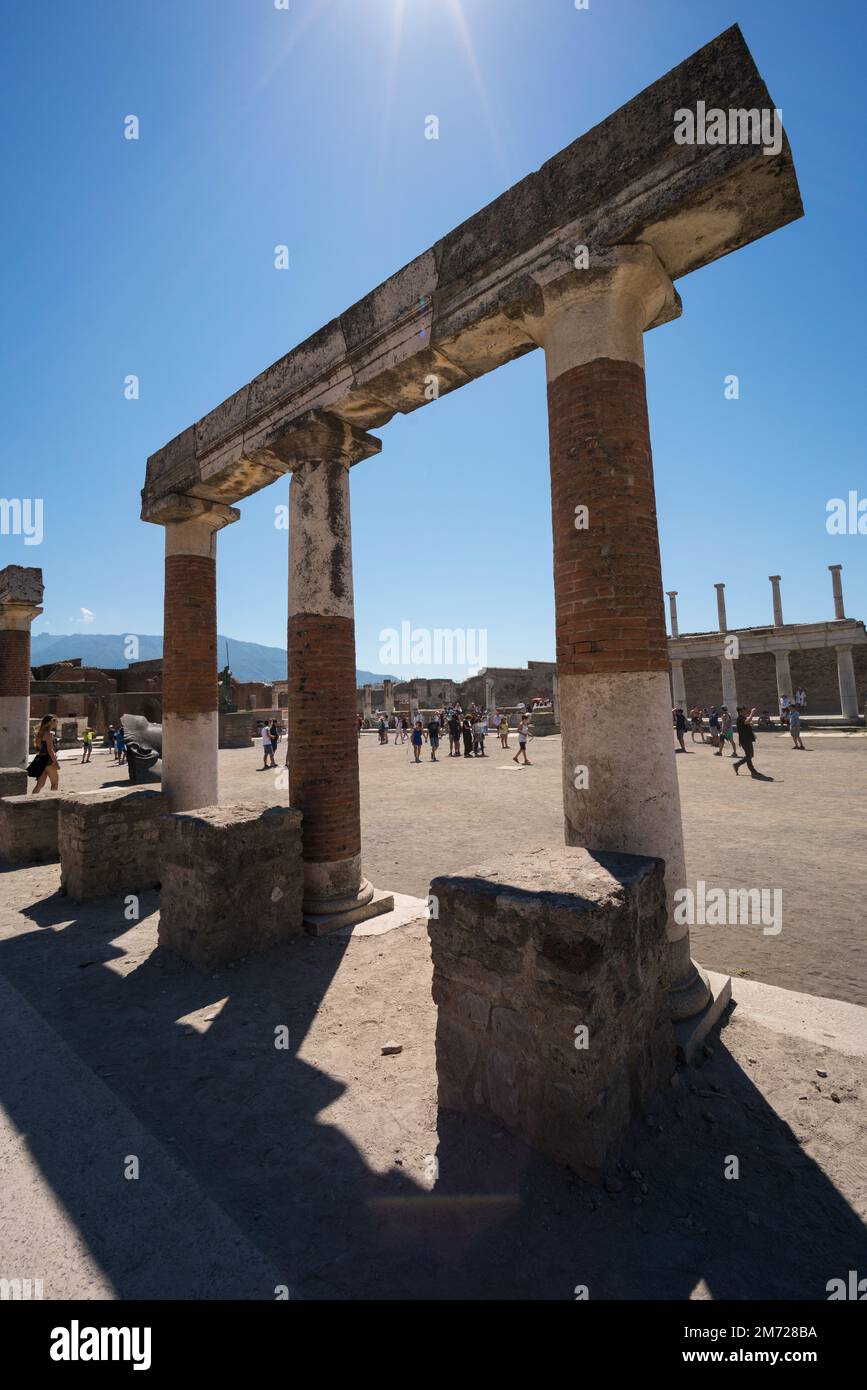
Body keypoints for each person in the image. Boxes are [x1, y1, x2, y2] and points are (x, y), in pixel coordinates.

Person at [30, 715, 60, 793]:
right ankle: (53, 802)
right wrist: (56, 762)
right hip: (49, 761)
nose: (57, 722)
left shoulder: (41, 734)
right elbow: (50, 750)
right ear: (50, 722)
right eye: (56, 720)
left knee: (40, 784)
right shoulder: (49, 734)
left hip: (41, 759)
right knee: (54, 783)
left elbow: (41, 748)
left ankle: (31, 801)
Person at [733, 706, 760, 777]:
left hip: (747, 739)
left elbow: (748, 723)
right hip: (744, 740)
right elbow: (747, 721)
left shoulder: (743, 718)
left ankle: (737, 764)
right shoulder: (739, 719)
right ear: (740, 711)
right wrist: (752, 713)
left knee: (750, 755)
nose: (746, 711)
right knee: (749, 755)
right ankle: (753, 771)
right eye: (744, 710)